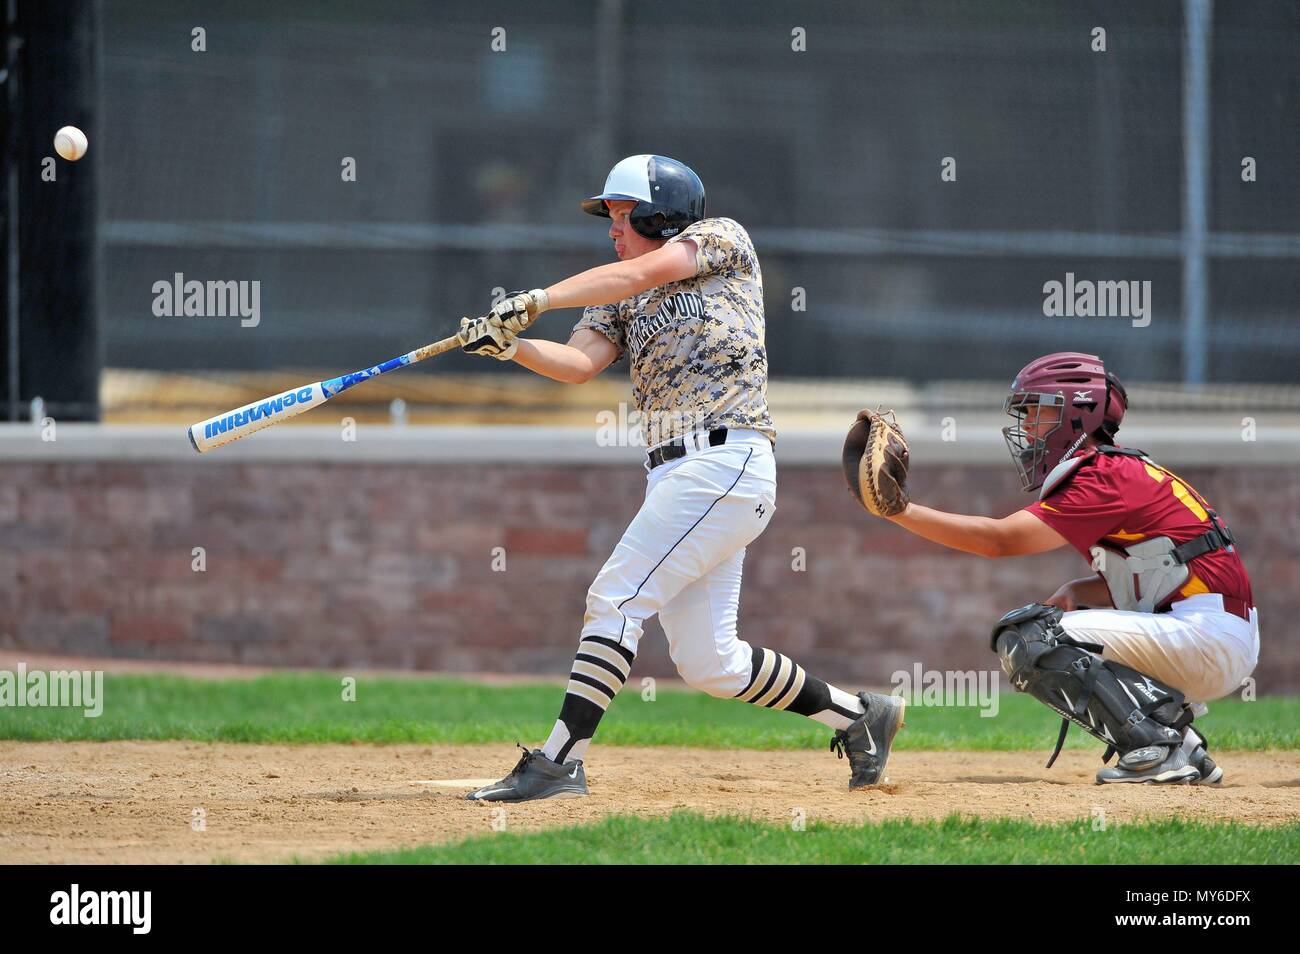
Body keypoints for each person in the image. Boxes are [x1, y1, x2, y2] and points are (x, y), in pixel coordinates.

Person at [455, 154, 905, 801]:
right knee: (710, 662)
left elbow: (641, 269)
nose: (613, 229)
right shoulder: (623, 294)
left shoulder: (721, 239)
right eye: (610, 217)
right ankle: (860, 717)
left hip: (726, 459)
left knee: (616, 598)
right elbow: (578, 363)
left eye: (622, 215)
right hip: (674, 475)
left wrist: (539, 299)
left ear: (659, 215)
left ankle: (558, 762)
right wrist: (513, 346)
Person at [866, 352, 1258, 784]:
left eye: (1038, 410)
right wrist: (1080, 590)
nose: (1027, 426)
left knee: (1030, 637)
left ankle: (1157, 748)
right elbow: (1163, 572)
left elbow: (1000, 540)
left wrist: (900, 511)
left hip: (1206, 635)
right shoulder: (1118, 469)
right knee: (1052, 626)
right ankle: (1181, 745)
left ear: (1078, 414)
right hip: (1212, 632)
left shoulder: (1105, 474)